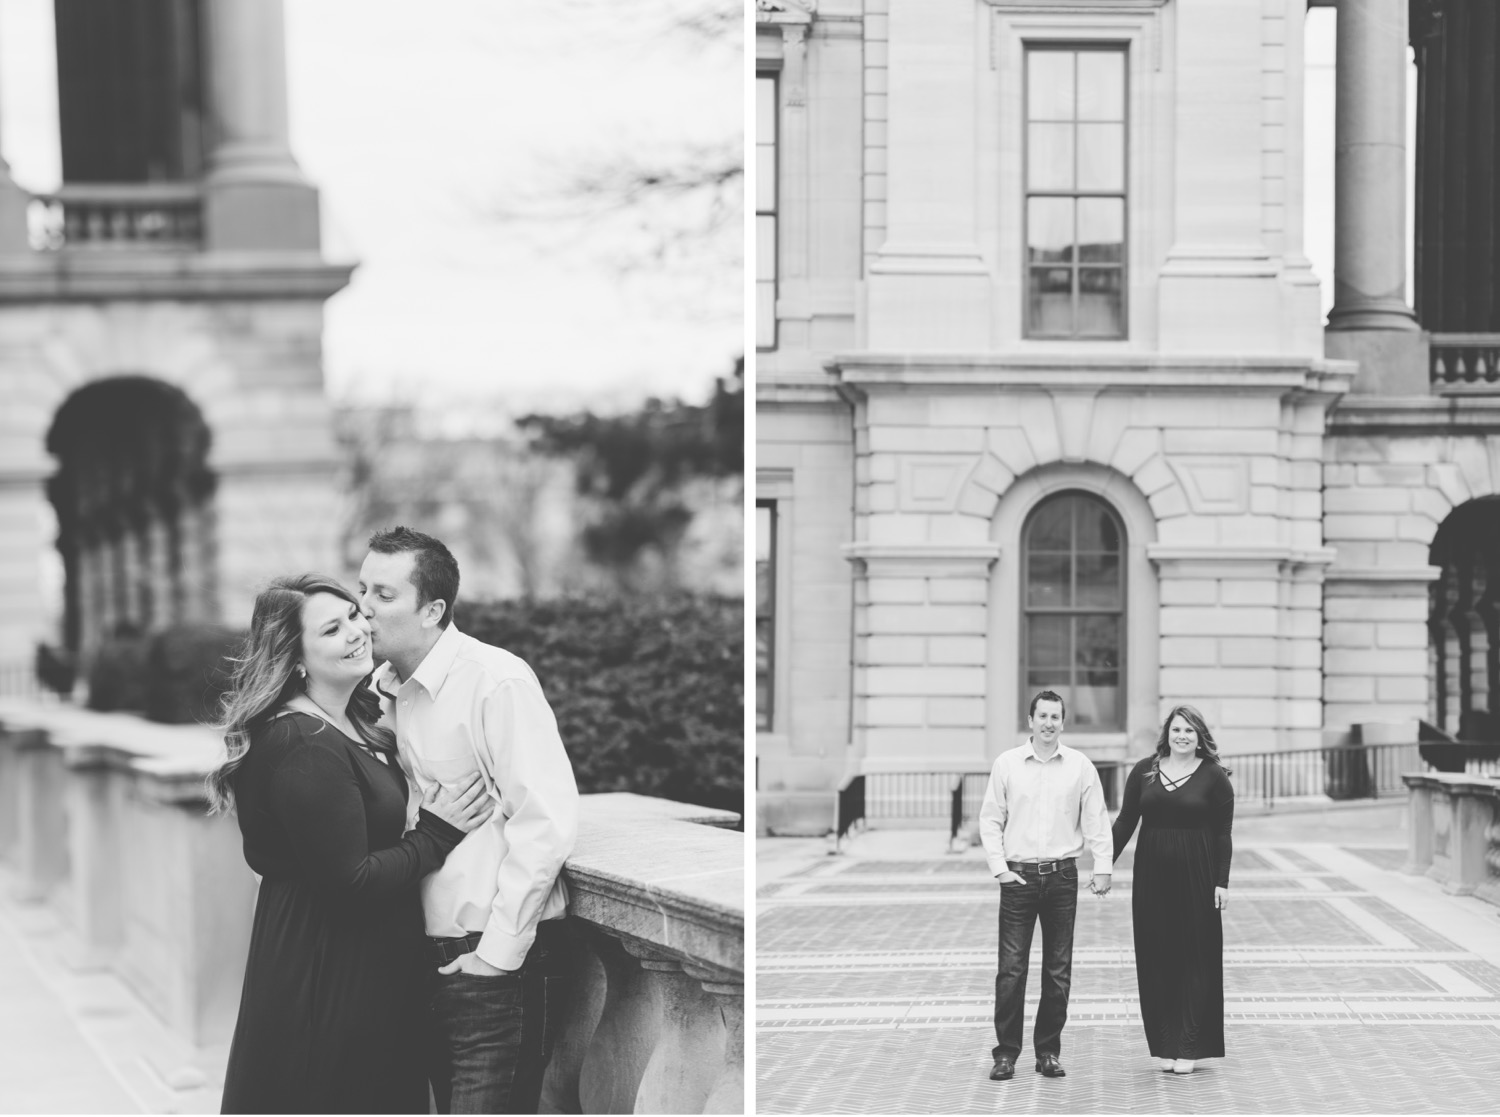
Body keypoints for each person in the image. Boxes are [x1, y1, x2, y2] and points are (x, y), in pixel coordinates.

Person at [212, 574, 495, 1114]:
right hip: (328, 972)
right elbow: (350, 882)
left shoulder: (351, 722)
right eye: (332, 629)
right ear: (295, 658)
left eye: (353, 616)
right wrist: (436, 834)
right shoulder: (305, 744)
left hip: (357, 963)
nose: (356, 632)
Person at [359, 526, 580, 1114]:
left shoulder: (496, 680)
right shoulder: (383, 693)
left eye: (383, 595)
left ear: (432, 609)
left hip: (489, 956)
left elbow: (546, 820)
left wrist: (496, 958)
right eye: (362, 591)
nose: (363, 610)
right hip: (420, 954)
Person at [979, 689, 1113, 1082]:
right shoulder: (1007, 764)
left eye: (1056, 717)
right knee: (1011, 970)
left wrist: (1102, 866)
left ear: (1063, 722)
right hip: (1018, 878)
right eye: (1043, 716)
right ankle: (1005, 1054)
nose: (1049, 723)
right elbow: (990, 819)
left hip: (1062, 877)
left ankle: (1048, 1052)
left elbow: (1096, 819)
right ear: (1031, 720)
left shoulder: (1079, 766)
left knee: (1057, 971)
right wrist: (1000, 868)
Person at [1110, 704, 1235, 1075]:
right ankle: (1165, 1042)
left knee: (1195, 958)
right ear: (1167, 733)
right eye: (1177, 730)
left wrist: (1221, 882)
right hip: (1151, 876)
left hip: (1198, 877)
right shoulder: (1144, 771)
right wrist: (1103, 865)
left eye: (1190, 731)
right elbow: (1125, 821)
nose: (1182, 736)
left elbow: (1223, 834)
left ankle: (1191, 1045)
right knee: (1157, 956)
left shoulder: (1214, 777)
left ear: (1200, 738)